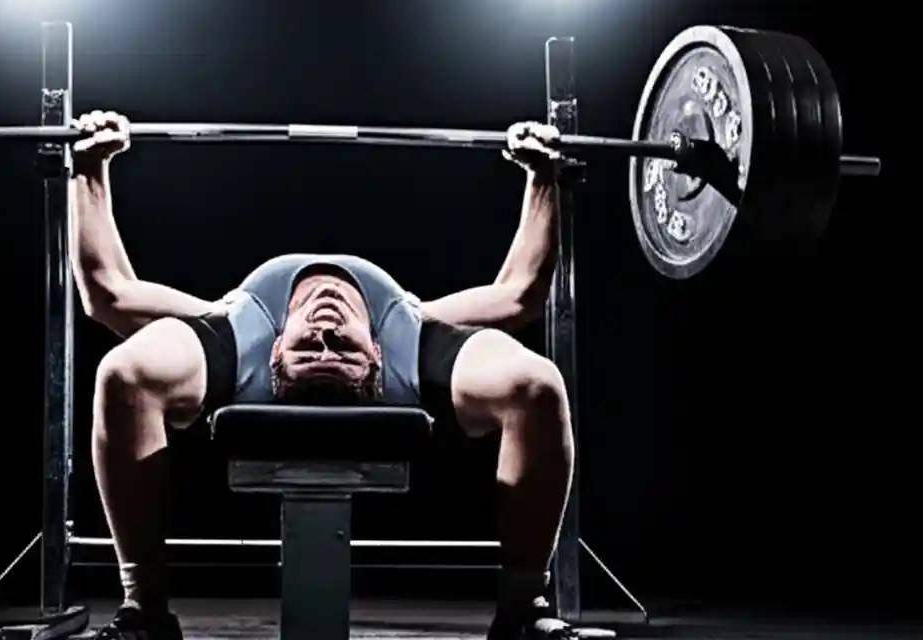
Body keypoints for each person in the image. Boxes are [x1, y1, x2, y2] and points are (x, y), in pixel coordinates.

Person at [70, 110, 577, 640]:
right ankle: (526, 607)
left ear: (274, 357)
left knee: (124, 374)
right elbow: (520, 293)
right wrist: (544, 175)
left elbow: (108, 293)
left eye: (313, 345)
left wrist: (88, 165)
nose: (325, 329)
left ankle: (141, 609)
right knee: (536, 385)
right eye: (335, 346)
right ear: (377, 359)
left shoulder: (240, 328)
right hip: (391, 344)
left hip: (251, 334)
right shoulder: (407, 334)